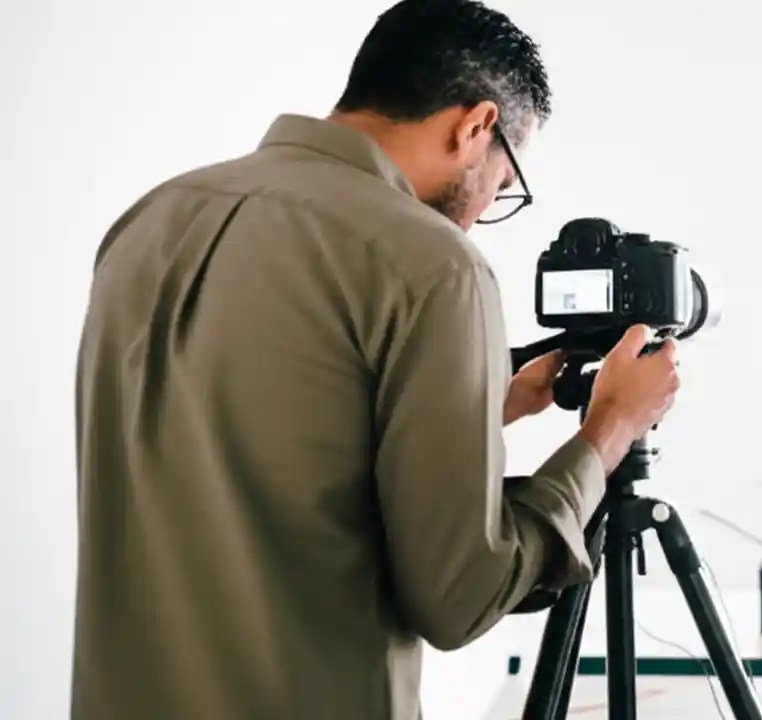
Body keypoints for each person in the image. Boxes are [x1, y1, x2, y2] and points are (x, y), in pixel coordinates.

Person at [71, 1, 679, 718]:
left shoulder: (151, 218)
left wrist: (495, 402)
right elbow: (461, 593)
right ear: (476, 126)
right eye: (504, 184)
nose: (489, 203)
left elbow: (258, 449)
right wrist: (606, 431)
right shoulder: (434, 264)